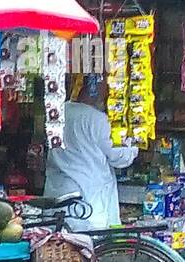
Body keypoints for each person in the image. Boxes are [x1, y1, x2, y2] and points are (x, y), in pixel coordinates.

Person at [44, 83, 138, 231]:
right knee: (88, 249)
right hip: (89, 205)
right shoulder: (98, 120)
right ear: (96, 88)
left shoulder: (59, 112)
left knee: (59, 246)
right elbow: (119, 157)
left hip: (57, 195)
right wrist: (134, 143)